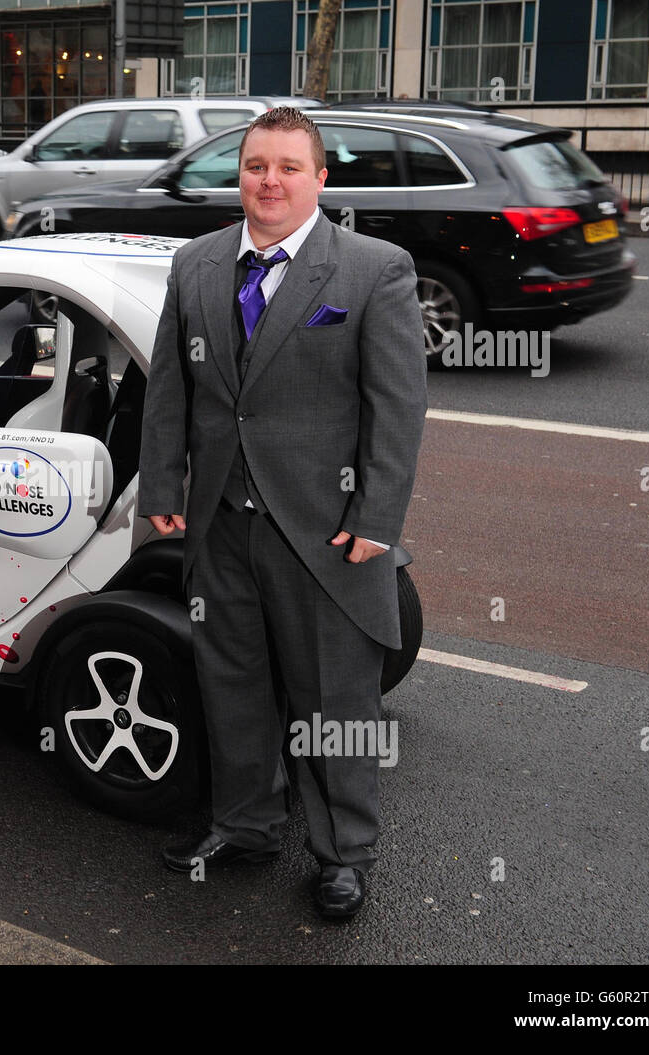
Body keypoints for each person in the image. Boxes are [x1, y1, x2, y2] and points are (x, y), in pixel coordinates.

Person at [137, 107, 426, 918]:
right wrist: (162, 487)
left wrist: (377, 518)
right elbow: (170, 391)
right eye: (256, 165)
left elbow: (397, 407)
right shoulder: (195, 265)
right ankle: (246, 824)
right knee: (233, 682)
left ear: (320, 179)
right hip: (222, 521)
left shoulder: (375, 270)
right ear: (241, 175)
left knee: (336, 698)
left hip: (325, 528)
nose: (270, 180)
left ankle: (344, 853)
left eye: (288, 167)